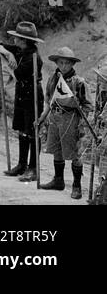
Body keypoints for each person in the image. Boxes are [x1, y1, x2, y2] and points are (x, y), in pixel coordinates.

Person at [0, 21, 45, 182]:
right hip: (21, 93)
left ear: (24, 40)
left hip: (33, 95)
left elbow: (18, 74)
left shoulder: (34, 58)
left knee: (32, 131)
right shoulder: (20, 50)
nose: (14, 40)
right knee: (22, 130)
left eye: (17, 38)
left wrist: (9, 63)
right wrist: (9, 54)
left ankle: (33, 168)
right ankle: (21, 165)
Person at [37, 47, 91, 198]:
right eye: (61, 62)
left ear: (72, 64)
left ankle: (77, 186)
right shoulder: (53, 79)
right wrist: (42, 118)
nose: (64, 66)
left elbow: (87, 106)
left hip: (71, 118)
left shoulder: (79, 82)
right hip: (54, 117)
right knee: (56, 149)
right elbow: (49, 101)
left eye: (67, 63)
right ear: (56, 62)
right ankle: (58, 180)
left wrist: (81, 123)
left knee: (74, 152)